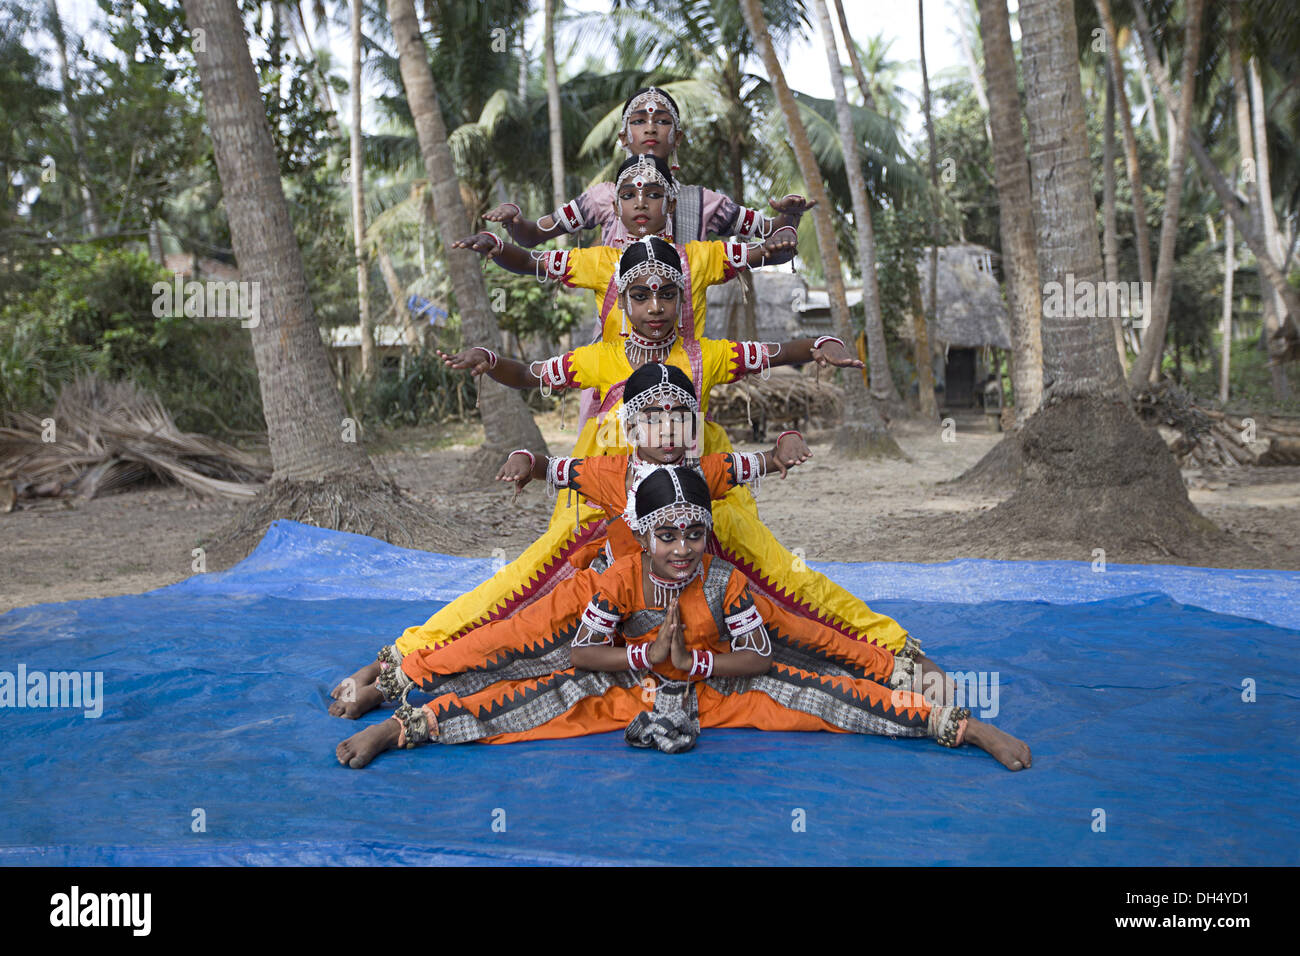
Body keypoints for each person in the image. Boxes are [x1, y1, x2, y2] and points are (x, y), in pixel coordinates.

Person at [335, 467, 1032, 770]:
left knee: (833, 697)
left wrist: (692, 663)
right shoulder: (620, 571)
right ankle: (403, 726)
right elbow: (580, 654)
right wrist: (645, 657)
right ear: (641, 534)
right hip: (620, 686)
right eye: (665, 535)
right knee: (515, 690)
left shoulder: (725, 582)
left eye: (692, 534)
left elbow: (762, 655)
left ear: (707, 532)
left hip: (716, 688)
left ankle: (962, 729)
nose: (681, 548)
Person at [330, 362, 811, 720]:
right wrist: (523, 460)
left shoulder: (710, 470)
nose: (668, 430)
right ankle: (393, 682)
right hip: (604, 592)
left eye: (680, 419)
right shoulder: (610, 474)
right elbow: (549, 467)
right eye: (654, 419)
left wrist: (788, 440)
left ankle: (878, 664)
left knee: (793, 636)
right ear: (631, 426)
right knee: (505, 637)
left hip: (687, 601)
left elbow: (768, 458)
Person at [456, 154, 797, 354]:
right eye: (630, 196)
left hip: (684, 380)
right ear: (615, 205)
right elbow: (530, 260)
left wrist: (787, 227)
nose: (641, 202)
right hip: (615, 375)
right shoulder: (600, 262)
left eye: (652, 193)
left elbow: (769, 248)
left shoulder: (698, 255)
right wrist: (499, 243)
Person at [482, 86, 814, 252]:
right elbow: (533, 236)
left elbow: (773, 236)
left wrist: (791, 216)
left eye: (662, 120)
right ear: (624, 136)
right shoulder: (603, 197)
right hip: (612, 357)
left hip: (682, 361)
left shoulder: (702, 202)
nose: (651, 128)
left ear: (678, 137)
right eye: (640, 121)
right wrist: (515, 221)